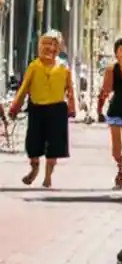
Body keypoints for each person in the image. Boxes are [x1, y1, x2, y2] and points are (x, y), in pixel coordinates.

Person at [7, 31, 76, 188]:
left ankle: (48, 176)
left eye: (53, 44)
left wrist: (72, 106)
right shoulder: (34, 66)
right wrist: (15, 107)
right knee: (33, 144)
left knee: (54, 146)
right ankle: (34, 169)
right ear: (39, 46)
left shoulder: (63, 67)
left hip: (57, 109)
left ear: (59, 48)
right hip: (37, 108)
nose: (49, 48)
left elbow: (70, 89)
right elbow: (24, 88)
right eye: (45, 44)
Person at [97, 37, 122, 188]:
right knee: (116, 148)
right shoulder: (112, 70)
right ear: (116, 53)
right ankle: (120, 166)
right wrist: (99, 108)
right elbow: (105, 91)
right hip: (116, 111)